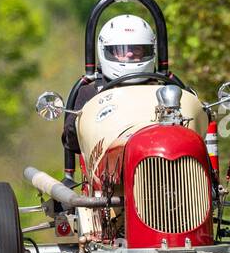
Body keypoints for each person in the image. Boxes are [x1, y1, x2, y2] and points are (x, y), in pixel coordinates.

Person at [62, 15, 158, 180]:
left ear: (148, 51)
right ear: (108, 51)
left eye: (136, 49)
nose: (128, 54)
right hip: (105, 178)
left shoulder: (164, 90)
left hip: (159, 168)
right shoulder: (90, 92)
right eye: (120, 50)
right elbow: (72, 141)